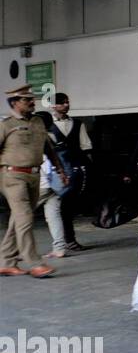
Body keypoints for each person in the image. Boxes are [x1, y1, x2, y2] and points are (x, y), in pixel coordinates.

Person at [0, 90, 66, 278]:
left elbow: (48, 148)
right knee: (25, 217)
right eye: (26, 100)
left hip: (34, 175)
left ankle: (6, 262)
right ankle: (35, 263)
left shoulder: (37, 122)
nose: (31, 102)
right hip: (12, 177)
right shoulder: (6, 125)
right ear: (14, 103)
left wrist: (60, 169)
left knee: (18, 220)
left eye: (31, 99)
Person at [48, 93, 91, 252]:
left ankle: (68, 239)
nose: (66, 105)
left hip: (74, 169)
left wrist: (85, 167)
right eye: (62, 103)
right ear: (53, 106)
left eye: (67, 102)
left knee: (68, 206)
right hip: (55, 171)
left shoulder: (78, 124)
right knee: (58, 206)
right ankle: (65, 240)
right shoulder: (47, 125)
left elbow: (85, 147)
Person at [32, 111, 67, 259]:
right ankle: (59, 248)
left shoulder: (36, 137)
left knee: (21, 216)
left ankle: (16, 249)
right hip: (55, 183)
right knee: (53, 215)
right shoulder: (53, 136)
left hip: (42, 182)